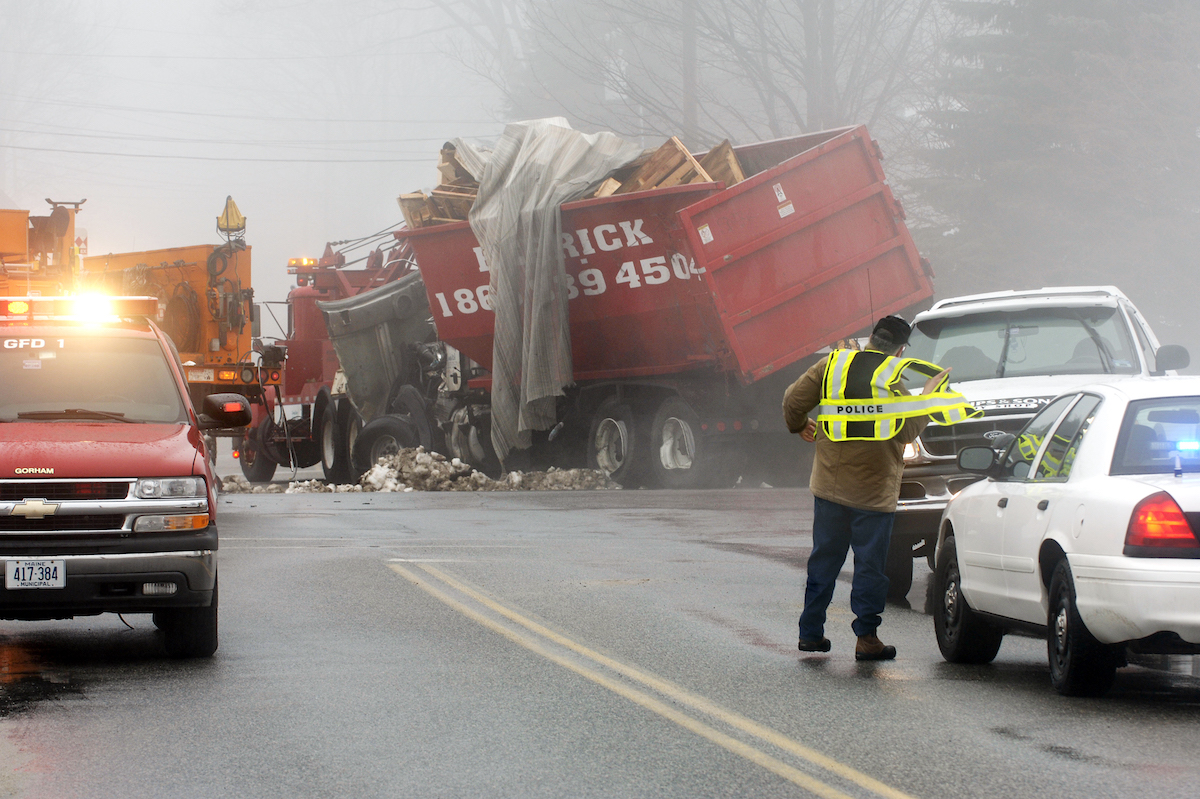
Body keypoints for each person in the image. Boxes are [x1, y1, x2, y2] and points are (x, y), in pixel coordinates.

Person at [782, 315, 963, 661]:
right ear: (900, 349)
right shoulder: (892, 383)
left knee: (824, 560)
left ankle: (810, 633)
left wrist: (800, 425)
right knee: (869, 567)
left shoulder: (830, 367)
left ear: (870, 338)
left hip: (830, 487)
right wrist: (927, 396)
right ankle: (866, 638)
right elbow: (907, 433)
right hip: (874, 494)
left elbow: (792, 403)